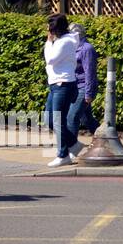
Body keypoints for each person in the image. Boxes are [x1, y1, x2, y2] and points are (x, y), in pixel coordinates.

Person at [42, 14, 79, 167]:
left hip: (63, 84)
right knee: (49, 120)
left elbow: (50, 59)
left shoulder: (65, 42)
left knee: (58, 120)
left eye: (50, 28)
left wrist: (48, 42)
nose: (48, 31)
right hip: (55, 84)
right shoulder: (61, 40)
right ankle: (73, 144)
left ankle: (63, 155)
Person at [66, 23, 99, 153]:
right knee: (87, 119)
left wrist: (89, 93)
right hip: (74, 87)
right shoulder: (72, 47)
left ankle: (71, 149)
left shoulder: (87, 49)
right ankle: (105, 140)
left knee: (72, 117)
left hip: (83, 88)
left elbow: (90, 72)